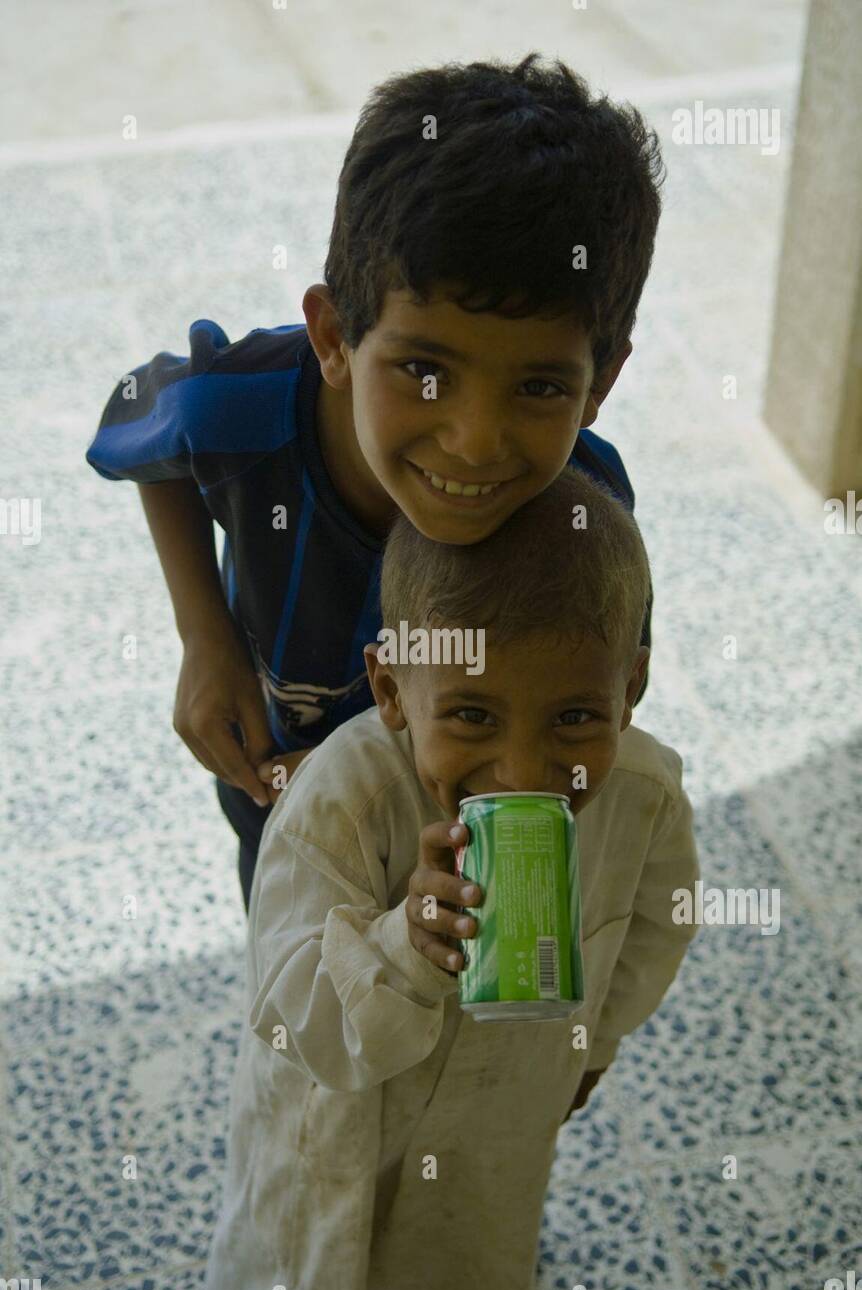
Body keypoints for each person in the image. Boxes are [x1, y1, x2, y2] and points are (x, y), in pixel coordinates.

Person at [84, 53, 664, 911]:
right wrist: (203, 634)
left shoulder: (585, 513)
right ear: (333, 337)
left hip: (474, 852)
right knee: (301, 1012)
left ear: (601, 383)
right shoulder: (232, 409)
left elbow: (589, 707)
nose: (474, 443)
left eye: (540, 387)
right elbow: (140, 426)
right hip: (284, 825)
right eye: (424, 370)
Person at [204, 469, 700, 1290]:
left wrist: (596, 1045)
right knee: (301, 1273)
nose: (523, 769)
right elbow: (291, 1007)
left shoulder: (643, 796)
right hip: (333, 1130)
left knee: (463, 1263)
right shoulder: (343, 800)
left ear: (631, 690)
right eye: (472, 716)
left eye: (575, 717)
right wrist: (402, 944)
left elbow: (656, 925)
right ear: (393, 689)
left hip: (496, 1118)